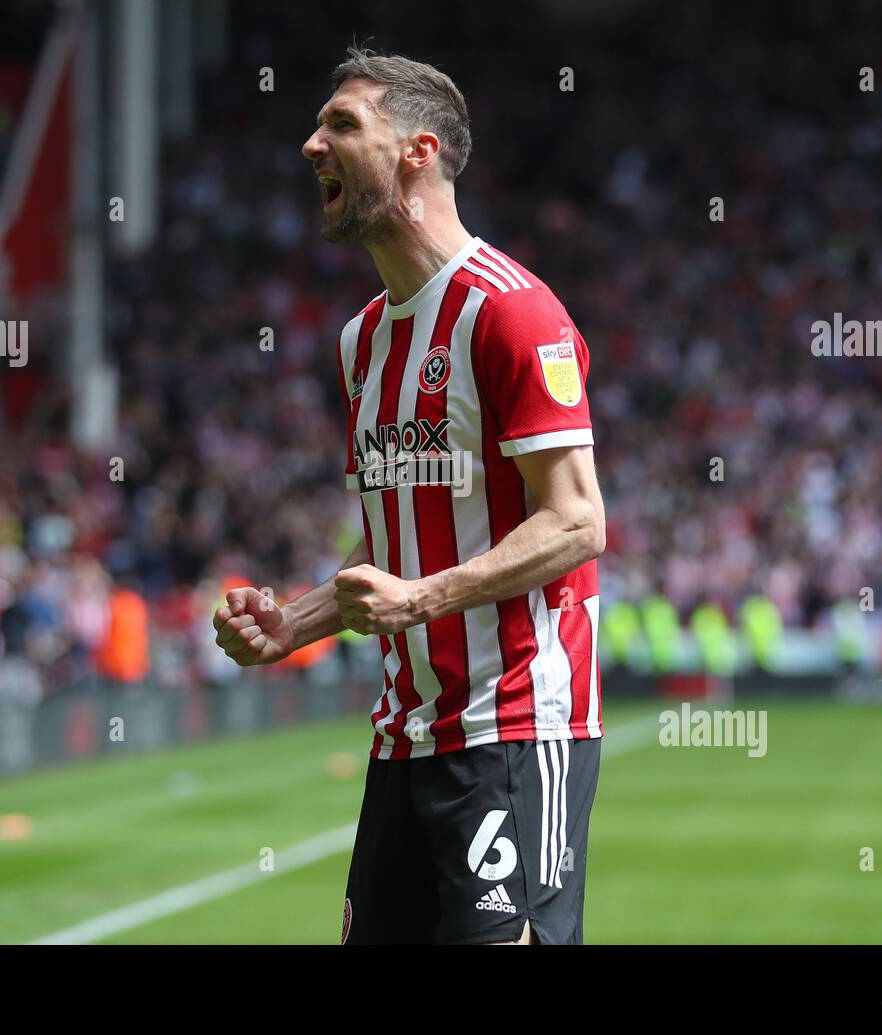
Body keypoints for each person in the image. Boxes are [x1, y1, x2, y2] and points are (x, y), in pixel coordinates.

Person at [213, 48, 606, 945]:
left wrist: (425, 599)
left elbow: (578, 521)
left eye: (342, 125)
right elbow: (391, 541)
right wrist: (294, 623)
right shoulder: (361, 342)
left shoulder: (513, 311)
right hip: (405, 738)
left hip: (513, 728)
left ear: (418, 152)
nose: (311, 145)